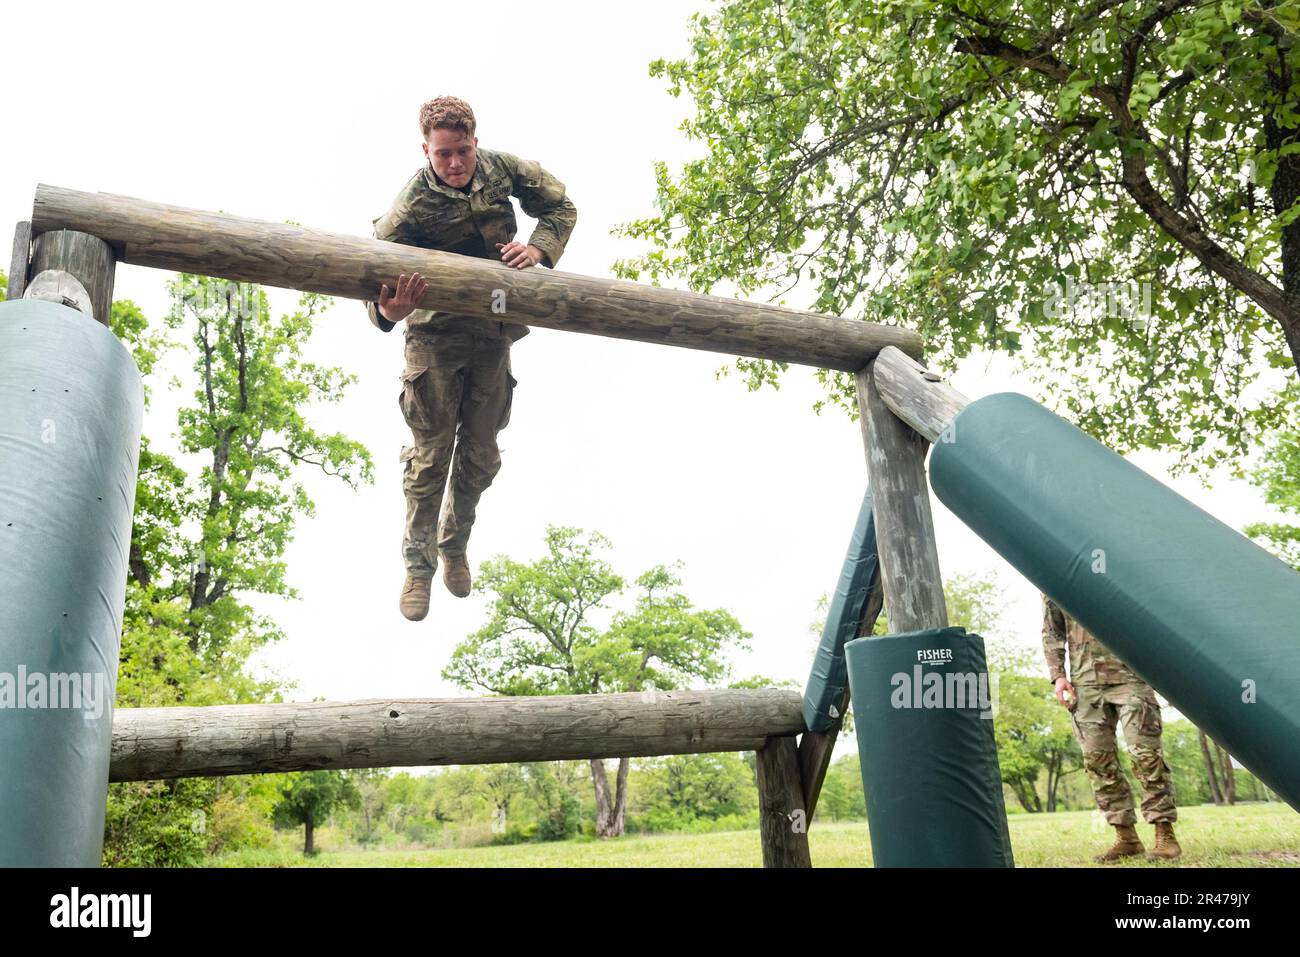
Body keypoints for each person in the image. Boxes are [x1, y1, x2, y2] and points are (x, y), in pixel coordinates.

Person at [365, 96, 577, 621]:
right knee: (430, 457)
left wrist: (539, 251)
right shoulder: (410, 204)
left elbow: (560, 206)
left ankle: (454, 544)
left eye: (462, 151)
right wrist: (387, 310)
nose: (454, 163)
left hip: (493, 330)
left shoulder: (503, 169)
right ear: (426, 151)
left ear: (475, 143)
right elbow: (374, 271)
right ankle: (419, 568)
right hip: (434, 339)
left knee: (481, 454)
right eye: (443, 155)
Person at [1042, 594, 1182, 861]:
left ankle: (1165, 835)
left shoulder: (1118, 567)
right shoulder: (1056, 575)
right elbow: (1051, 631)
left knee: (1146, 757)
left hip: (1132, 677)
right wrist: (1058, 676)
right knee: (1097, 761)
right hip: (1085, 683)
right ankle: (1126, 837)